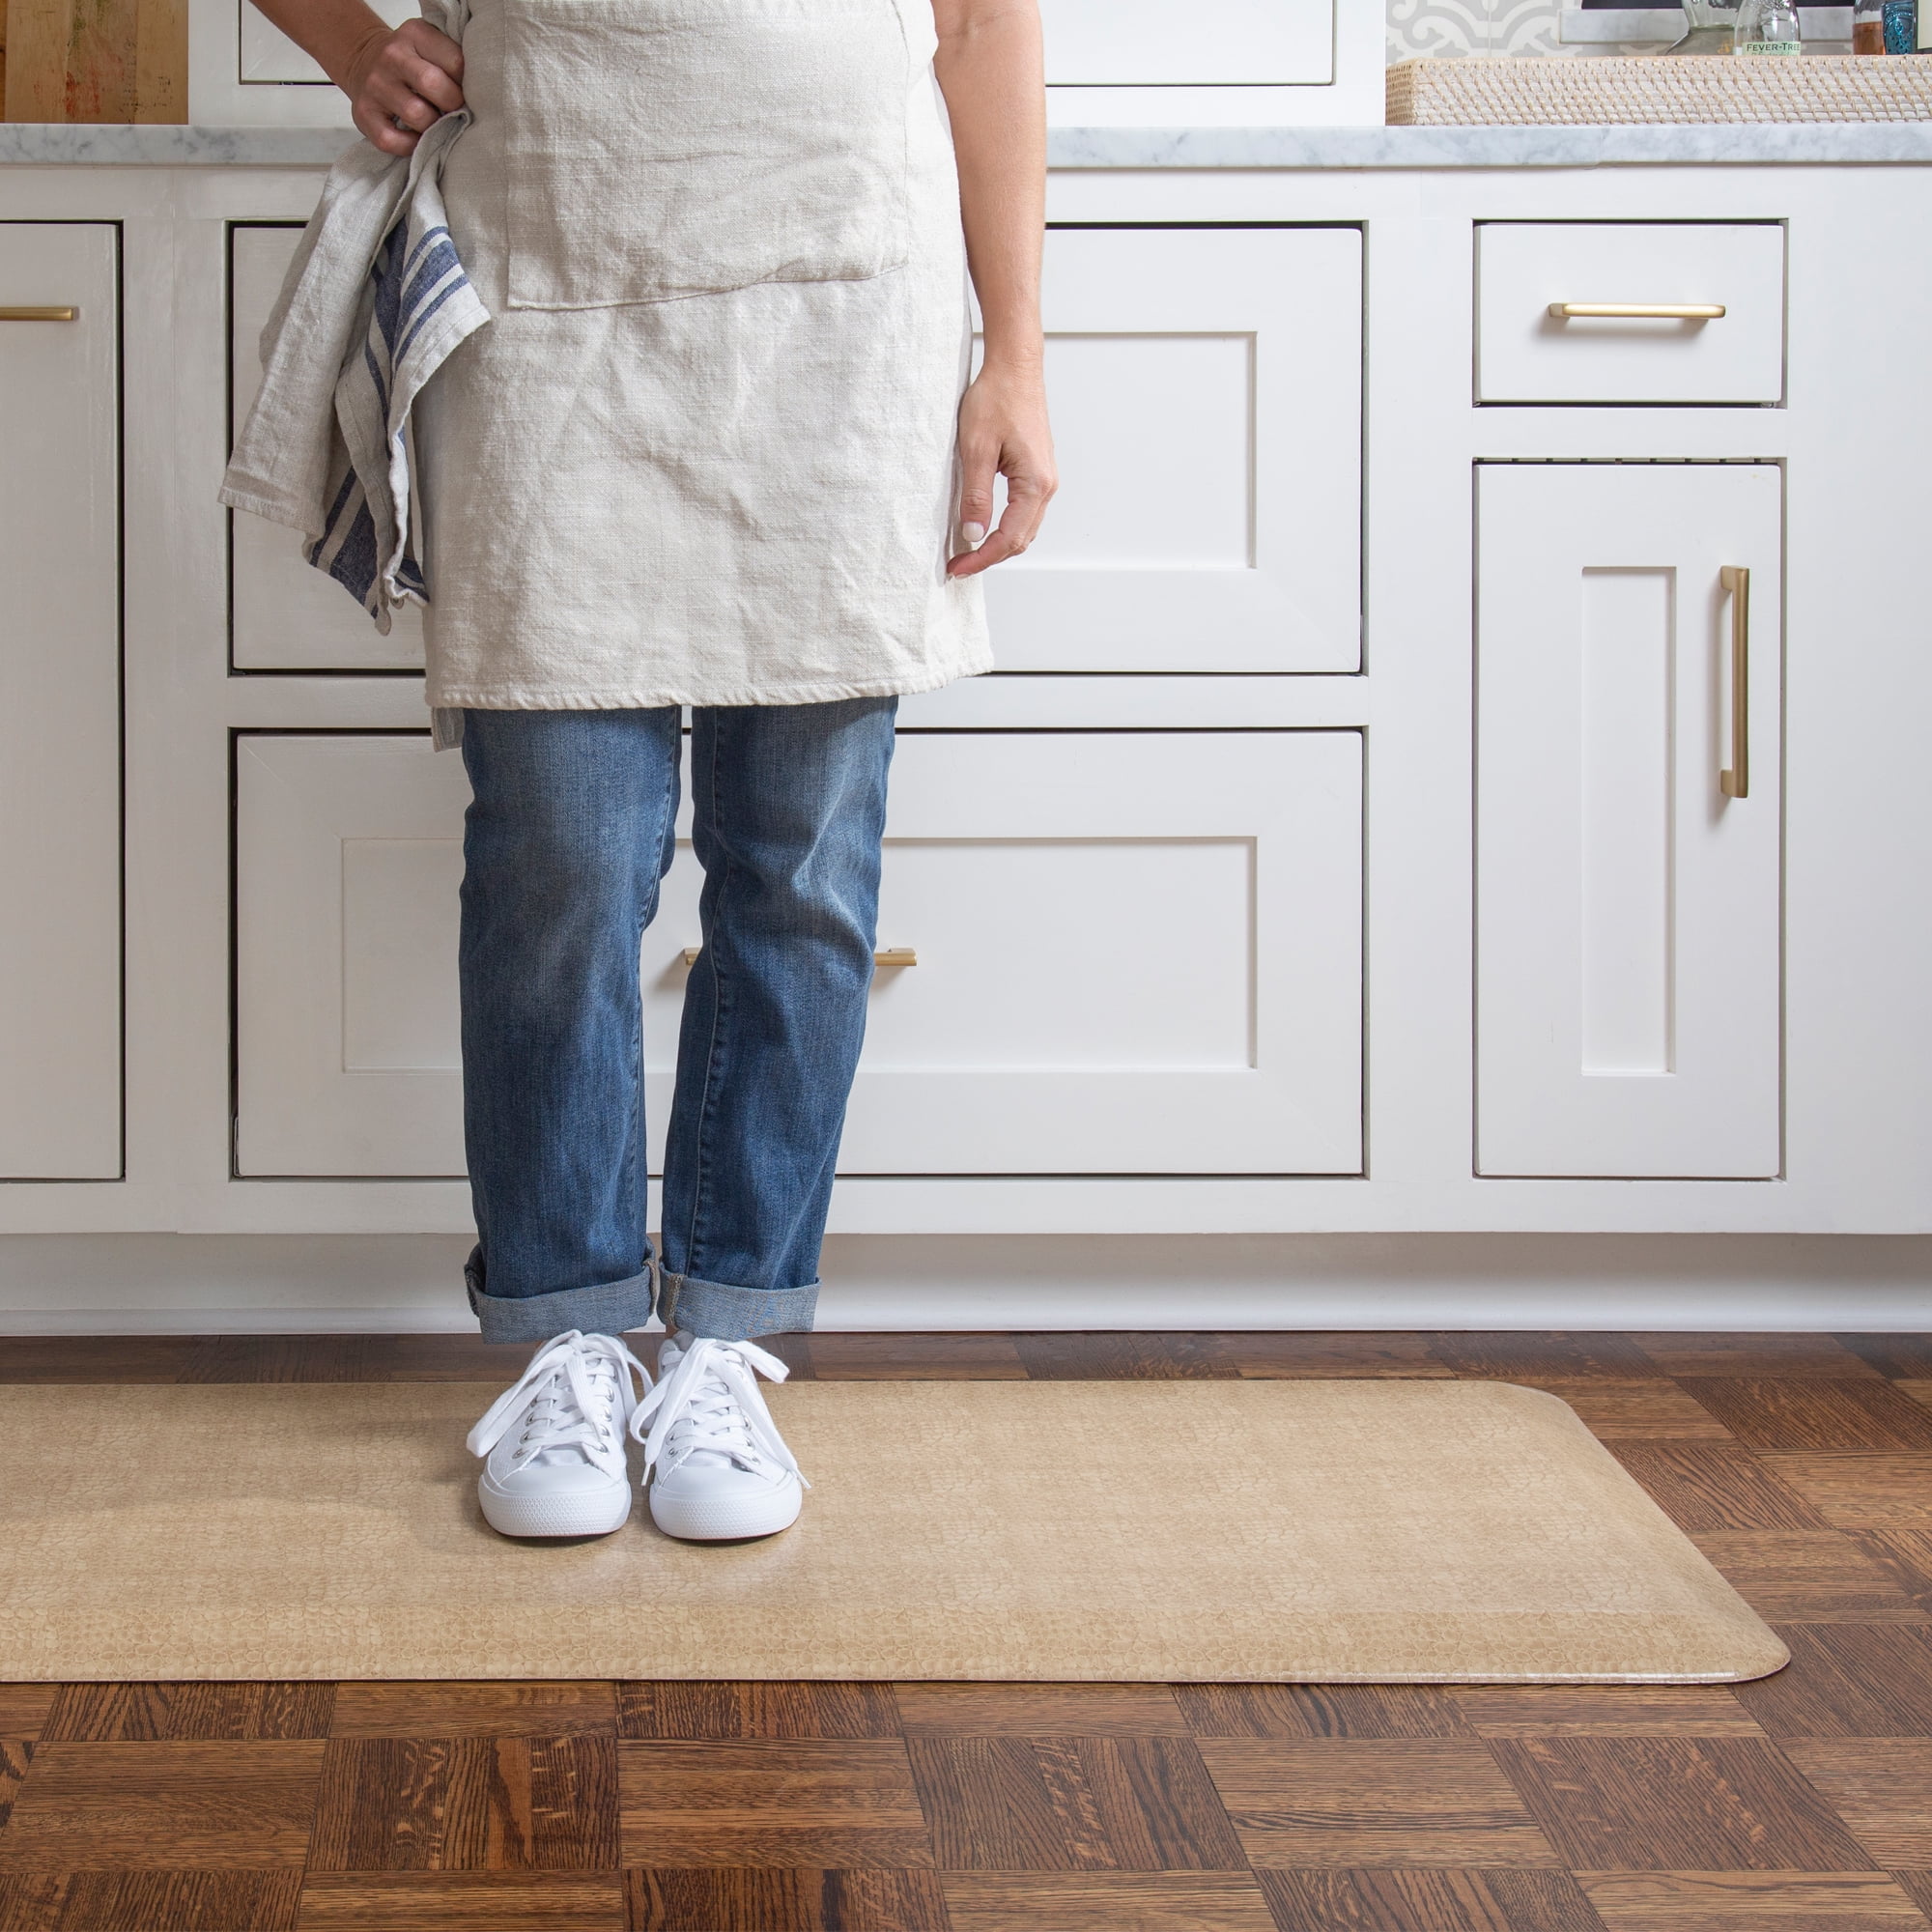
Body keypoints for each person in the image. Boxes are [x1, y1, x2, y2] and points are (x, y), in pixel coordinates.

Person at [246, 0, 1055, 1540]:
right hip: (549, 302)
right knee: (559, 868)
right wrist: (359, 47)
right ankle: (568, 1334)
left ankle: (728, 1350)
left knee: (802, 875)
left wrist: (1012, 357)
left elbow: (979, 22)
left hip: (847, 322)